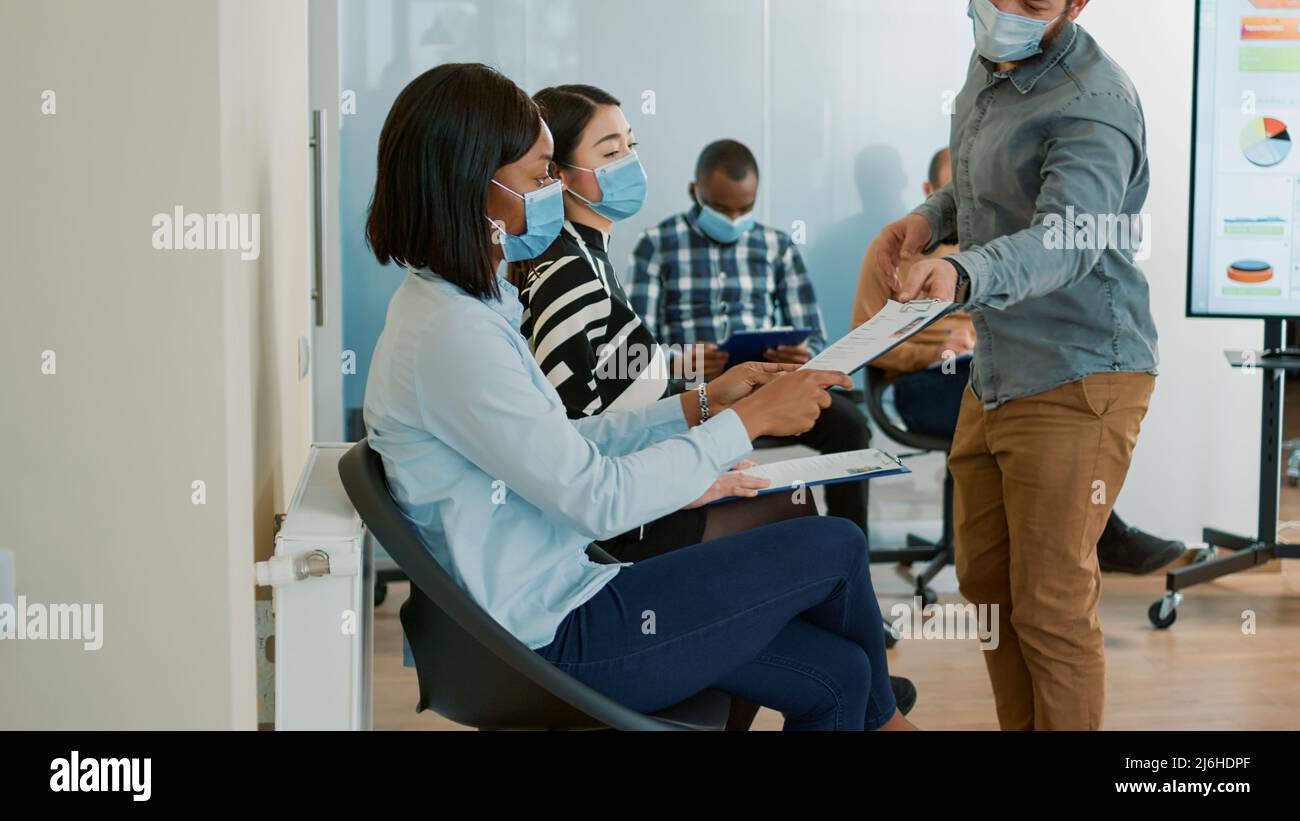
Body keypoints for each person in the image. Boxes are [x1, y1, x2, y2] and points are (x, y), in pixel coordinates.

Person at [362, 63, 915, 730]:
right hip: (555, 636)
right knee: (833, 546)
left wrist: (702, 407)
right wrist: (745, 422)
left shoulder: (460, 310)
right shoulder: (453, 335)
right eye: (541, 176)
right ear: (473, 186)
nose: (551, 194)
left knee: (842, 674)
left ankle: (881, 718)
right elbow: (597, 496)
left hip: (566, 596)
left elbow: (570, 445)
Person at [873, 0, 1159, 731]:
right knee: (990, 587)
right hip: (999, 366)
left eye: (1031, 3)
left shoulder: (1096, 105)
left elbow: (1064, 239)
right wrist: (929, 220)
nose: (1006, 11)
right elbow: (980, 185)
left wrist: (963, 273)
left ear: (1076, 5)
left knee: (1052, 604)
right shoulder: (987, 66)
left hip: (1081, 370)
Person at [856, 148, 1184, 575]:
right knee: (1030, 393)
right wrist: (937, 353)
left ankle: (1077, 534)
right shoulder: (897, 252)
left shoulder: (1002, 255)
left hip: (989, 367)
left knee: (1045, 388)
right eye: (956, 194)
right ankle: (1101, 534)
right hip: (924, 383)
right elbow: (869, 343)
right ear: (930, 194)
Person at [628, 140, 874, 542]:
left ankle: (848, 543)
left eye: (745, 209)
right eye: (723, 209)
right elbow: (639, 350)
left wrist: (801, 354)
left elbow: (812, 334)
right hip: (695, 393)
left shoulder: (776, 245)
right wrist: (685, 361)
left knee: (851, 425)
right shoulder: (656, 245)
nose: (734, 218)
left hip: (765, 386)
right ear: (696, 192)